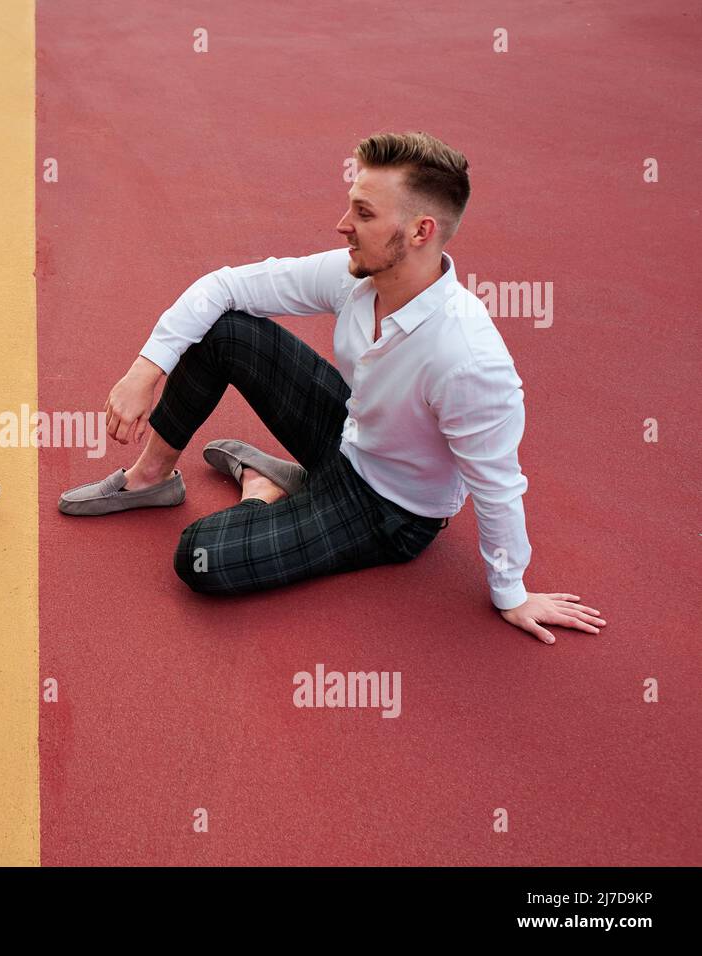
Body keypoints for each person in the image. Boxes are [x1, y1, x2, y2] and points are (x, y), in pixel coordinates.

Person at [59, 131, 605, 645]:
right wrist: (146, 369)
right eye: (352, 204)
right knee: (223, 330)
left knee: (198, 557)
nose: (342, 223)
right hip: (350, 433)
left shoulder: (468, 361)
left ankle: (263, 489)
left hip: (387, 510)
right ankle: (152, 479)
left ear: (420, 232)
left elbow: (498, 484)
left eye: (364, 213)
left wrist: (511, 592)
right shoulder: (356, 275)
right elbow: (224, 285)